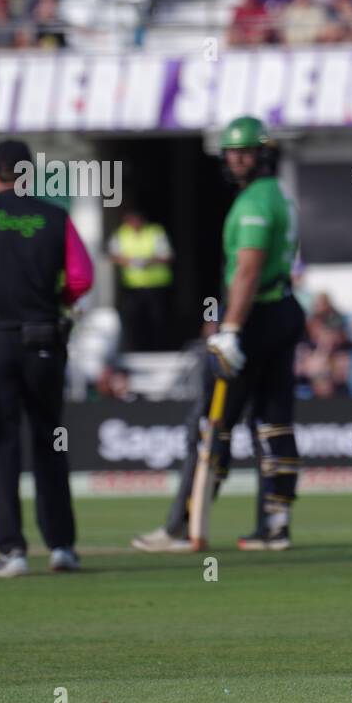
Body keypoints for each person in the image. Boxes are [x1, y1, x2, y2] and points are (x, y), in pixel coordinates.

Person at [132, 116, 304, 552]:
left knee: (211, 425)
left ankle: (184, 527)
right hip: (280, 310)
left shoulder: (255, 203)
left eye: (245, 151)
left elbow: (247, 271)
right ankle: (274, 525)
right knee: (271, 422)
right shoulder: (277, 195)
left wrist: (230, 328)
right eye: (232, 152)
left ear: (263, 154)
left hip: (256, 318)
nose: (238, 159)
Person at [0, 138, 94, 577]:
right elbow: (82, 278)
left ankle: (12, 551)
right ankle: (62, 546)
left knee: (3, 445)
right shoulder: (56, 217)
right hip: (45, 340)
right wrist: (54, 303)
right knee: (51, 441)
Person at [106, 207, 174, 351]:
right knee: (134, 320)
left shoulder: (155, 231)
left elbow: (167, 256)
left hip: (156, 284)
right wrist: (129, 261)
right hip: (133, 286)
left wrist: (148, 261)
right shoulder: (121, 234)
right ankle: (136, 348)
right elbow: (112, 256)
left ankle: (159, 348)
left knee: (157, 320)